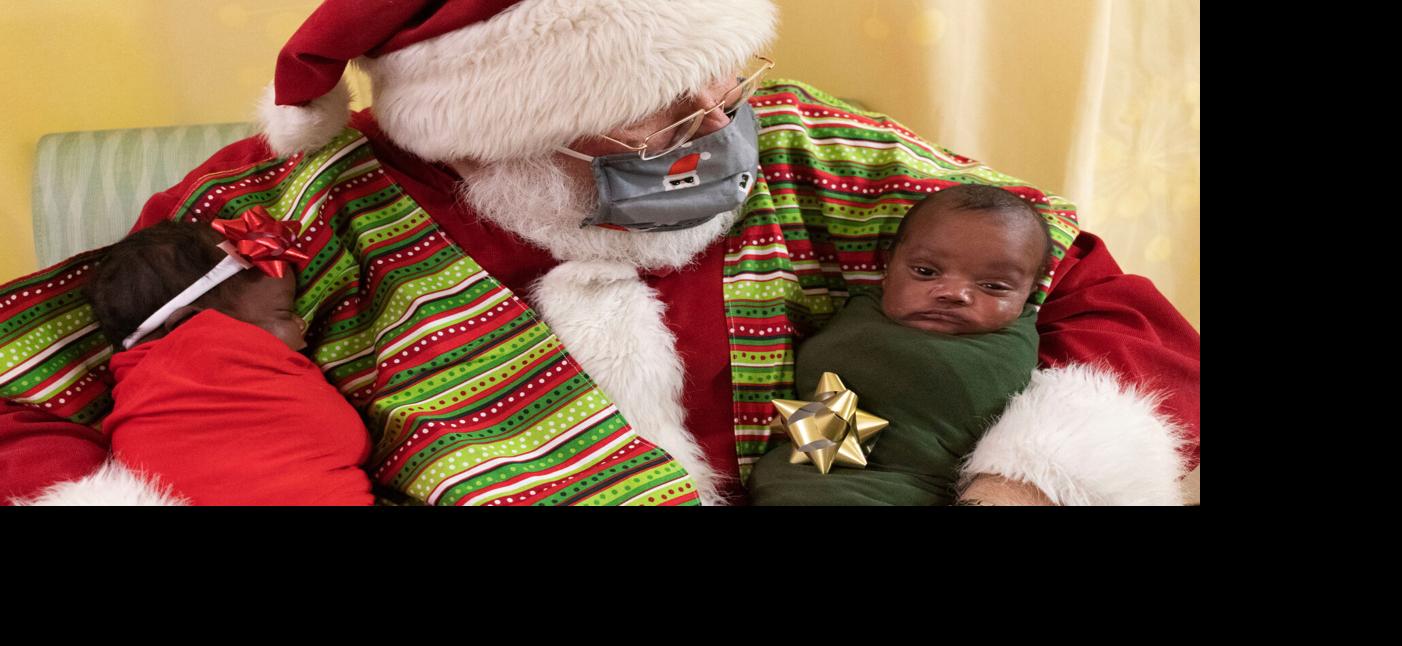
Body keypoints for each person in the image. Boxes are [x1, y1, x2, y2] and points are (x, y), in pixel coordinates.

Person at [1, 0, 1198, 506]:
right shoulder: (276, 209)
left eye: (719, 85)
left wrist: (1029, 475)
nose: (713, 127)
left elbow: (1105, 302)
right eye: (656, 112)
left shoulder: (813, 145)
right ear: (493, 117)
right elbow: (33, 407)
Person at [747, 185, 1048, 505]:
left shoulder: (1011, 344)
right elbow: (821, 362)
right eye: (925, 271)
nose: (954, 293)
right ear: (887, 267)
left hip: (921, 486)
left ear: (1028, 293)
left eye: (993, 286)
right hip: (810, 472)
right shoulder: (860, 313)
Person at [87, 213, 374, 506]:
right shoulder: (213, 351)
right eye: (283, 314)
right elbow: (348, 439)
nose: (302, 324)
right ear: (189, 325)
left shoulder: (133, 396)